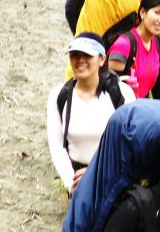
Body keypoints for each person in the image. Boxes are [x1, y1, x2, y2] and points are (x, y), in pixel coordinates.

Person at [47, 33, 136, 196]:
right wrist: (70, 183)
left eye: (87, 55)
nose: (80, 60)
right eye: (75, 55)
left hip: (113, 177)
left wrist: (95, 175)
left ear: (102, 59)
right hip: (76, 180)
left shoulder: (122, 93)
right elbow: (57, 145)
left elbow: (129, 145)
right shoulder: (59, 95)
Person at [108, 0, 160, 100]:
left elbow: (158, 87)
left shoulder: (158, 44)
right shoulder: (124, 45)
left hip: (141, 108)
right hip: (122, 109)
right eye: (157, 12)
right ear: (142, 13)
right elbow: (109, 88)